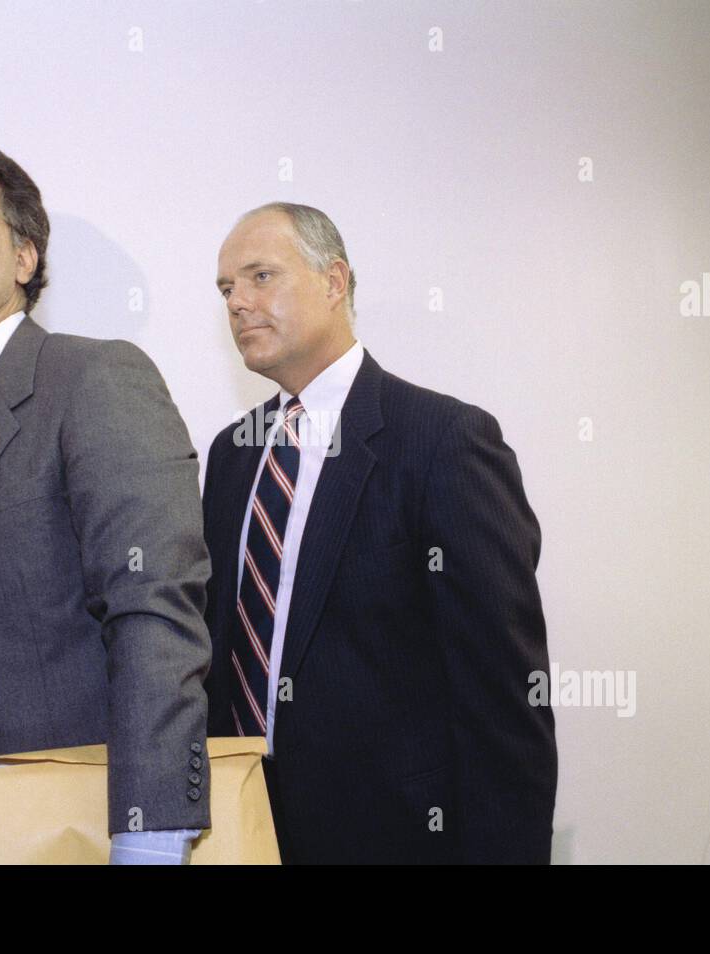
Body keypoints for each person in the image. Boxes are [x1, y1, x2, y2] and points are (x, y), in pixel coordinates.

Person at [0, 133, 211, 864]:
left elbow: (154, 607)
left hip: (82, 834)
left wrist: (150, 835)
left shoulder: (92, 378)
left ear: (26, 256)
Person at [203, 203, 557, 863]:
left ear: (333, 282)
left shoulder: (442, 442)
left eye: (260, 277)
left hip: (394, 831)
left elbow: (503, 697)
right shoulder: (233, 453)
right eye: (226, 289)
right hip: (244, 826)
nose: (239, 304)